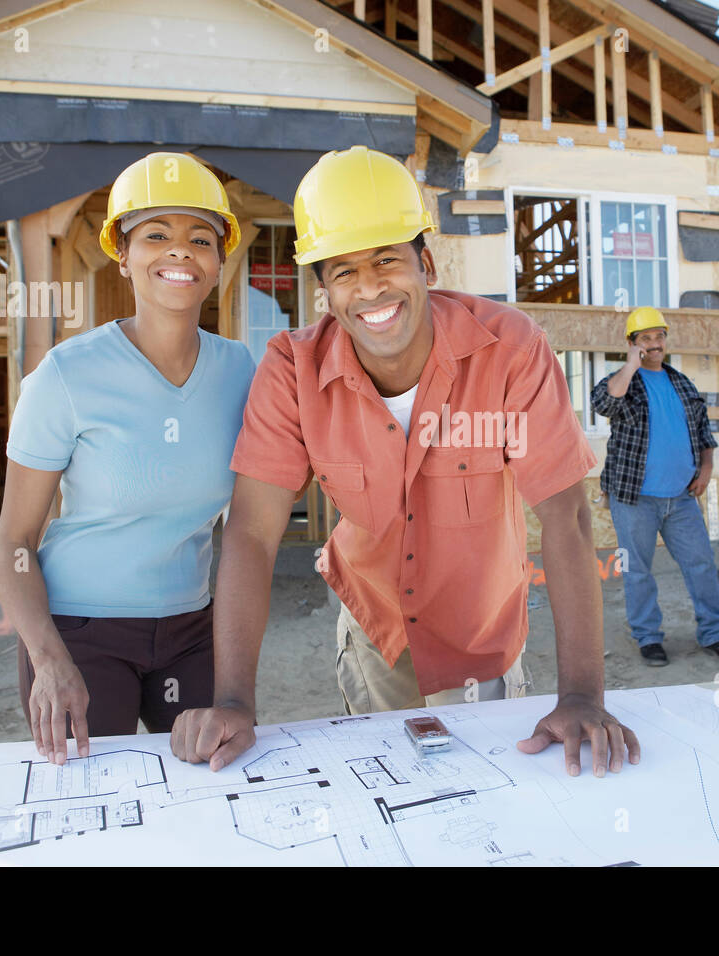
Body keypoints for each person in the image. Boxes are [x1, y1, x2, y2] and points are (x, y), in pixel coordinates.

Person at [170, 145, 640, 778]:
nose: (369, 289)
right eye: (343, 272)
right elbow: (252, 533)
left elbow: (566, 518)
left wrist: (581, 695)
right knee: (390, 795)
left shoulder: (511, 351)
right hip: (376, 633)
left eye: (386, 259)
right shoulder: (291, 370)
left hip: (484, 639)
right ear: (325, 292)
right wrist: (232, 702)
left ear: (427, 263)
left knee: (493, 797)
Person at [0, 152, 257, 765]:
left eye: (201, 238)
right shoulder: (66, 375)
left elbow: (266, 500)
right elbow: (13, 540)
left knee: (210, 786)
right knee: (90, 809)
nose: (180, 251)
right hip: (80, 633)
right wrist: (48, 657)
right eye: (156, 235)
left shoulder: (242, 371)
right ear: (124, 254)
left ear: (219, 260)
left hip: (192, 628)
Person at [590, 307, 719, 667]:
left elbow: (704, 434)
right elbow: (604, 404)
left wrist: (705, 468)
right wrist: (631, 364)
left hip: (681, 498)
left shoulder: (682, 382)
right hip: (634, 498)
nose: (655, 344)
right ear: (632, 344)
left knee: (701, 564)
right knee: (637, 570)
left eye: (659, 337)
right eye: (646, 339)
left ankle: (715, 633)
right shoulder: (622, 381)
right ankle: (648, 637)